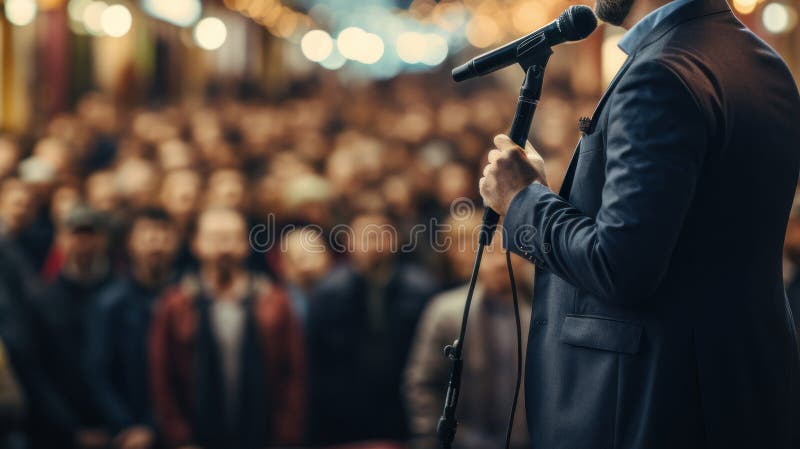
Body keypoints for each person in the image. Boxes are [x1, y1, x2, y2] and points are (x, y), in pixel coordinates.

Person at [478, 0, 800, 447]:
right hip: (741, 392)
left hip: (655, 405)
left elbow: (621, 265)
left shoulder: (662, 72)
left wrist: (523, 201)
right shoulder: (764, 62)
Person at [149, 208, 304, 449]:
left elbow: (293, 376)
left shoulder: (274, 302)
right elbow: (162, 378)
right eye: (214, 238)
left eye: (232, 237)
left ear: (246, 244)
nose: (223, 248)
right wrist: (180, 439)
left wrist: (285, 438)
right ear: (196, 244)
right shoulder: (176, 304)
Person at [307, 212, 438, 445]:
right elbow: (316, 363)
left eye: (381, 235)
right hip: (344, 419)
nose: (374, 244)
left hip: (403, 414)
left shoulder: (421, 290)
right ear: (349, 242)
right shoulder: (328, 293)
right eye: (365, 237)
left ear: (395, 240)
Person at [404, 226, 532, 449]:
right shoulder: (446, 312)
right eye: (491, 253)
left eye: (509, 252)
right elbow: (422, 384)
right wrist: (431, 438)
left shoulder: (536, 316)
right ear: (475, 256)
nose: (501, 263)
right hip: (463, 441)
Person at [86, 208, 180, 449]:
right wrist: (127, 426)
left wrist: (155, 426)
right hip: (125, 433)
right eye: (148, 238)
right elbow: (99, 373)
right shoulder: (110, 303)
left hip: (180, 430)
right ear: (130, 243)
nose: (156, 247)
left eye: (163, 238)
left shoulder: (187, 300)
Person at [27, 205, 114, 449]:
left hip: (118, 432)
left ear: (103, 240)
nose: (83, 243)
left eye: (90, 236)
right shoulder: (42, 299)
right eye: (76, 235)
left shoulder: (120, 294)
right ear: (61, 241)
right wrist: (71, 429)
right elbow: (35, 371)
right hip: (58, 433)